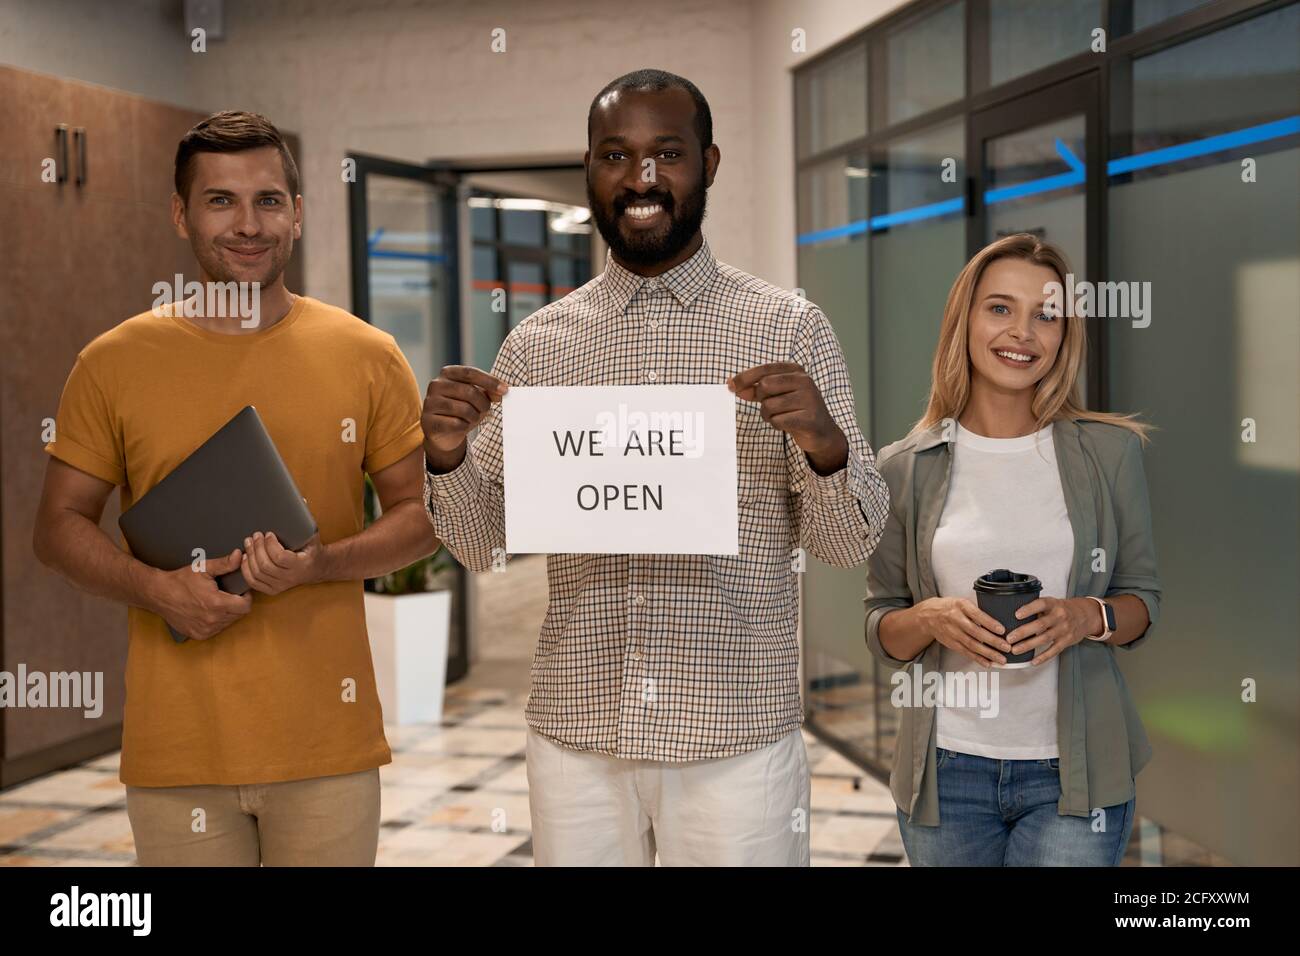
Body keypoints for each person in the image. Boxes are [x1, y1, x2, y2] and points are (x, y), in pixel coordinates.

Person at [420, 69, 890, 866]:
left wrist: (825, 443)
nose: (641, 179)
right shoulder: (537, 347)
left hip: (734, 737)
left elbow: (849, 543)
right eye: (616, 155)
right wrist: (444, 455)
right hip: (578, 735)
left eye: (666, 154)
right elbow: (481, 548)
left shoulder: (788, 327)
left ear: (708, 164)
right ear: (590, 171)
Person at [32, 111, 440, 866]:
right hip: (177, 751)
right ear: (180, 214)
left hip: (328, 746)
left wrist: (319, 565)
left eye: (268, 201)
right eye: (220, 201)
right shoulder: (112, 361)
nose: (248, 224)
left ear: (298, 213)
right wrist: (156, 589)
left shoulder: (366, 355)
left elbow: (421, 519)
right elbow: (57, 527)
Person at [864, 233, 1162, 866]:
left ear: (1063, 334)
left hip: (1074, 779)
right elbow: (883, 627)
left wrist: (1088, 615)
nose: (1022, 331)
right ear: (965, 321)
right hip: (945, 778)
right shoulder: (903, 467)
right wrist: (931, 618)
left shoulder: (1110, 453)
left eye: (1045, 314)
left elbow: (1143, 601)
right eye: (1000, 308)